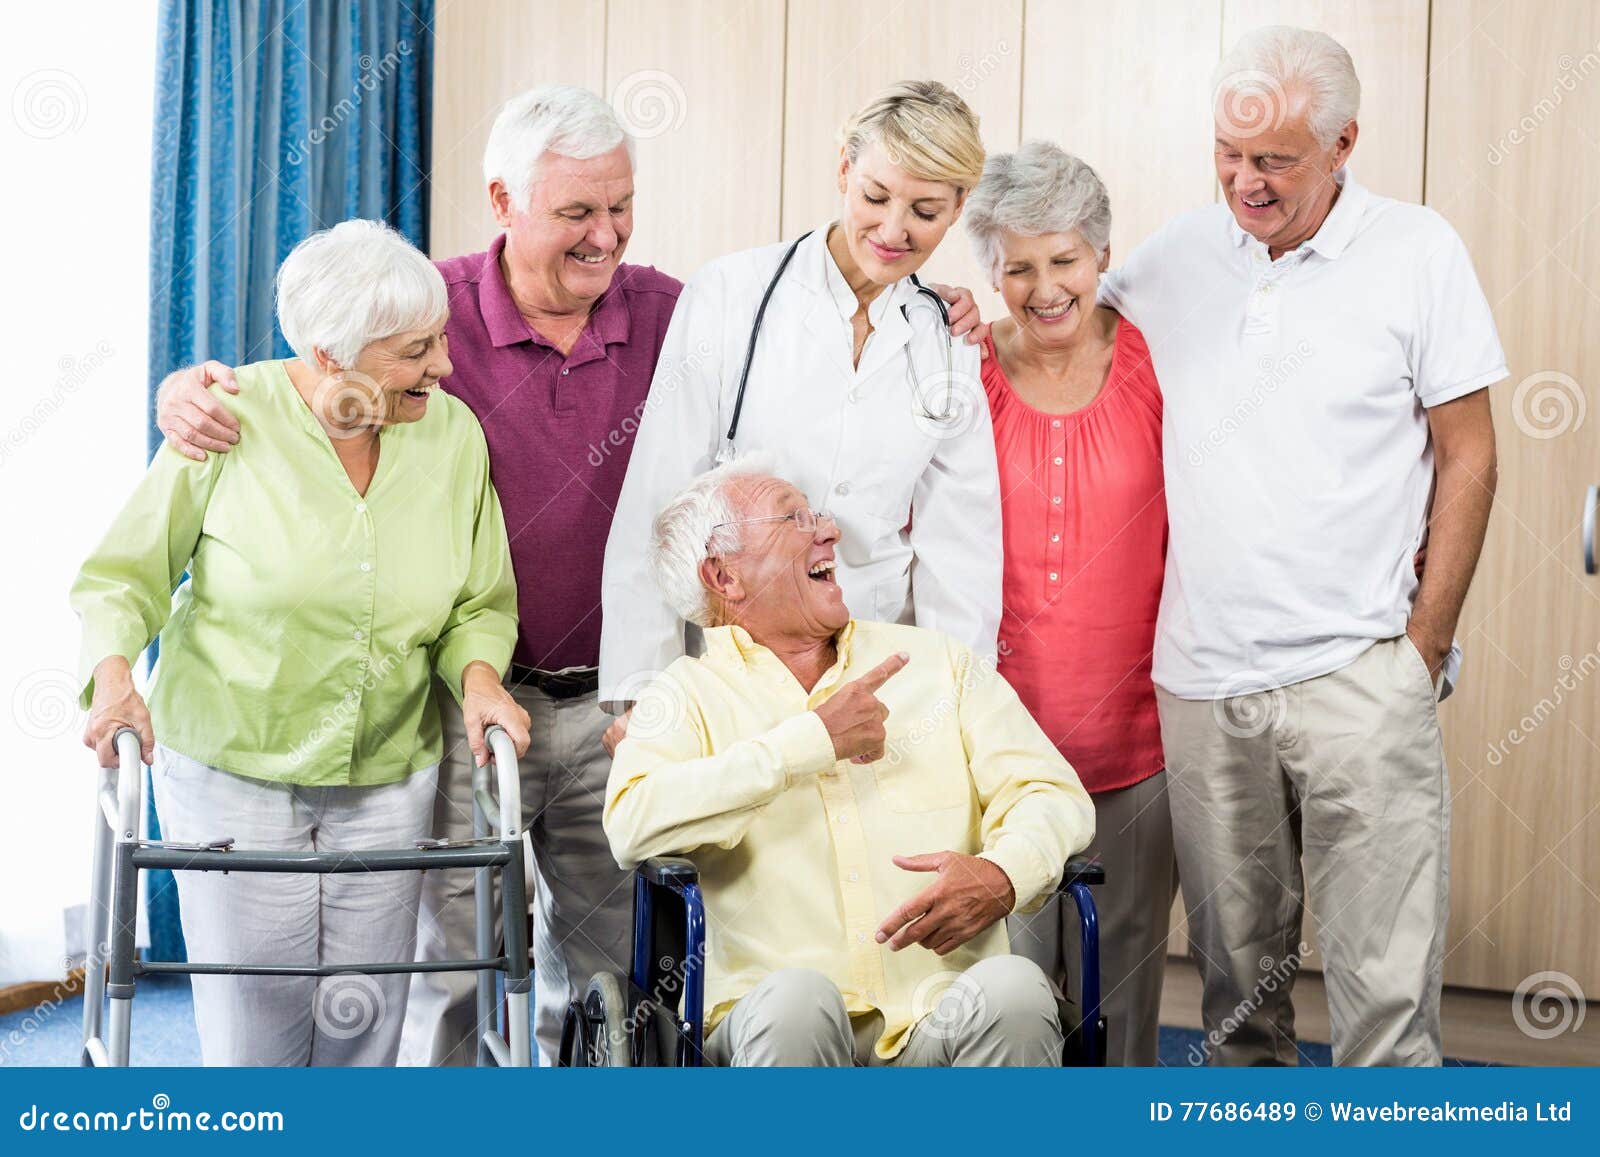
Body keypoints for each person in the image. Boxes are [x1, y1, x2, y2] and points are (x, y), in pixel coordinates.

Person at [150, 84, 981, 1066]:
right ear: (501, 201)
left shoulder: (675, 312)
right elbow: (309, 375)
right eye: (576, 212)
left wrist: (935, 306)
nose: (605, 235)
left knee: (613, 968)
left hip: (618, 704)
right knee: (457, 965)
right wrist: (189, 389)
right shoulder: (432, 312)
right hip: (467, 706)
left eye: (620, 206)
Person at [1098, 26, 1503, 1065]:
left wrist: (1420, 648)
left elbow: (1469, 457)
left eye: (1273, 158)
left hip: (1360, 676)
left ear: (1343, 144)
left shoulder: (1417, 250)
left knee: (1385, 1007)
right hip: (1204, 682)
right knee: (1237, 1007)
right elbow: (1053, 334)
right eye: (1227, 153)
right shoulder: (1175, 258)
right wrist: (976, 312)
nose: (1245, 180)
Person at [72, 220, 530, 1066]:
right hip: (238, 769)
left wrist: (479, 678)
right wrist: (112, 678)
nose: (445, 365)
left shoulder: (451, 434)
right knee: (261, 1031)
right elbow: (122, 576)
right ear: (330, 354)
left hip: (389, 770)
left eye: (441, 340)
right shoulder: (225, 419)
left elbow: (478, 598)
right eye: (416, 350)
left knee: (366, 1022)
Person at [604, 460, 1095, 1066]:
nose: (829, 530)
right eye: (794, 518)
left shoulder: (937, 663)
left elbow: (1051, 793)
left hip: (935, 1018)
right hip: (775, 1026)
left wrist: (1004, 872)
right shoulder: (680, 696)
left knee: (1017, 989)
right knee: (796, 1001)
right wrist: (810, 741)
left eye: (818, 513)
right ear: (723, 575)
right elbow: (631, 826)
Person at [599, 80, 1002, 748]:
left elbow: (960, 555)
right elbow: (656, 501)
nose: (893, 229)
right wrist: (645, 692)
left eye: (926, 210)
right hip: (729, 681)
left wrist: (955, 713)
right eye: (875, 197)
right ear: (843, 167)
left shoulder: (947, 342)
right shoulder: (731, 296)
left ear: (959, 207)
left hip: (878, 685)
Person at [962, 141, 1174, 1066]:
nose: (1044, 288)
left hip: (1138, 737)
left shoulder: (1156, 361)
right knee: (1006, 989)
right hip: (997, 746)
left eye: (1064, 261)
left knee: (1120, 989)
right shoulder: (960, 371)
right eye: (1018, 268)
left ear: (1099, 255)